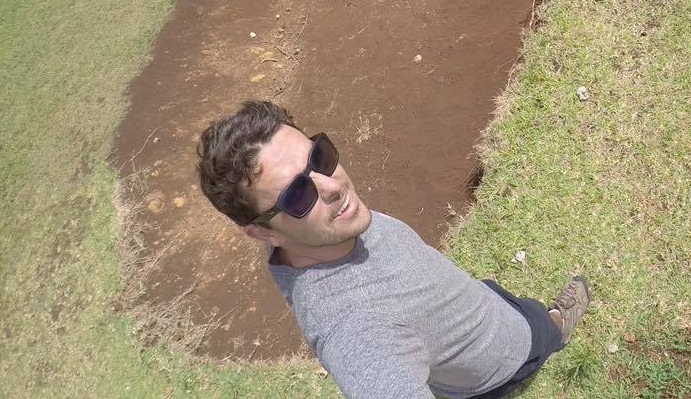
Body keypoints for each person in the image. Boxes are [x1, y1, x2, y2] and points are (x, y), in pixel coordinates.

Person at [197, 101, 590, 399]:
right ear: (262, 234)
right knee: (539, 326)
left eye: (320, 157)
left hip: (475, 305)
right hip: (504, 357)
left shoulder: (315, 233)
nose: (333, 187)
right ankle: (556, 324)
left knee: (490, 296)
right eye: (298, 194)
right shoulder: (355, 331)